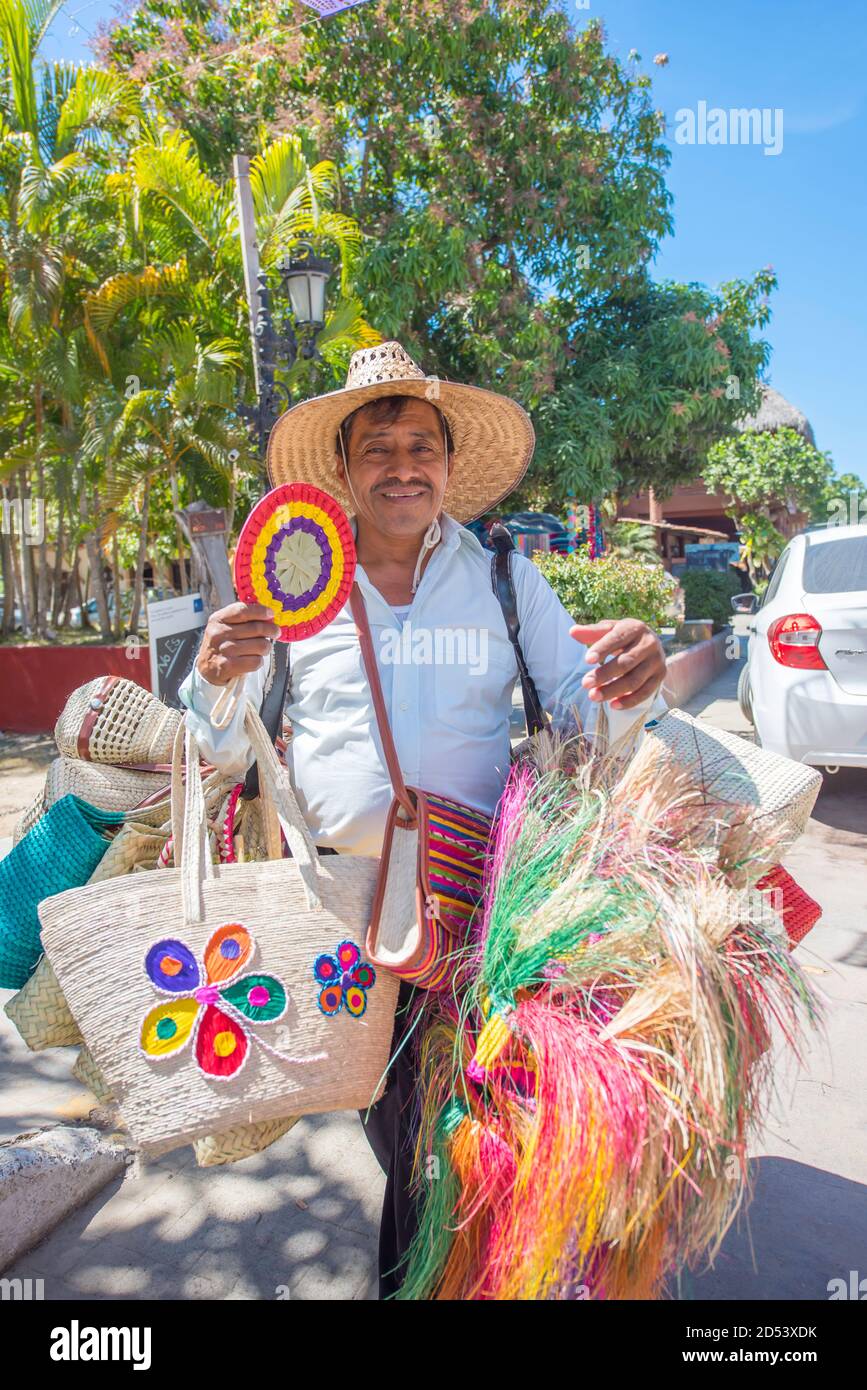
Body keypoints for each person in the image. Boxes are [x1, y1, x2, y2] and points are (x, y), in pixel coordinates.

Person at [179, 340, 667, 1297]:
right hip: (338, 919)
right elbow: (227, 757)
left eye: (420, 447)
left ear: (447, 465)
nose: (402, 467)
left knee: (438, 1134)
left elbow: (585, 722)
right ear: (345, 470)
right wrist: (212, 681)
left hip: (475, 911)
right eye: (378, 448)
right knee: (396, 1128)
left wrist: (630, 682)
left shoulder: (502, 582)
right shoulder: (289, 590)